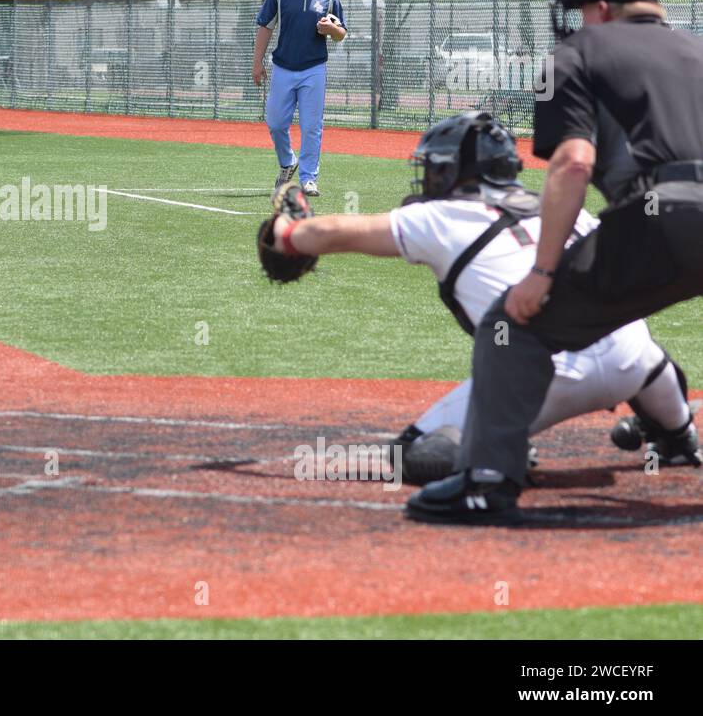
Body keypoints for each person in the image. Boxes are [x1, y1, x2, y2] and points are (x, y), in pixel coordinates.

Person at [406, 0, 703, 524]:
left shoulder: (579, 53)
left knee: (509, 327)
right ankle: (675, 430)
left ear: (599, 9)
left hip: (661, 217)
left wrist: (541, 274)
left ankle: (486, 483)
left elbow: (572, 164)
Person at [257, 111, 695, 485]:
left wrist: (287, 232)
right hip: (637, 364)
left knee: (410, 454)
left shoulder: (440, 217)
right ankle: (678, 436)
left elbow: (332, 234)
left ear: (454, 170)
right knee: (634, 343)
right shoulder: (565, 208)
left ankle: (496, 452)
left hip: (541, 377)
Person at [252, 0, 347, 197]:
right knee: (275, 122)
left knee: (311, 125)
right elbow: (265, 27)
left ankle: (308, 178)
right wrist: (257, 62)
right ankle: (287, 161)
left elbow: (341, 34)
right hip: (283, 66)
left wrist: (332, 30)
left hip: (314, 68)